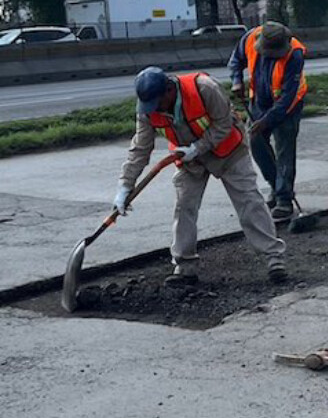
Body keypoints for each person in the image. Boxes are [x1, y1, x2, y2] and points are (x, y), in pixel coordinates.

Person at [116, 66, 287, 286]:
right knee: (184, 207)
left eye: (158, 102)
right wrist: (125, 186)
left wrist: (198, 147)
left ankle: (274, 258)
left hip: (229, 151)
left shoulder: (204, 88)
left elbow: (224, 123)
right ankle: (184, 266)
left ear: (169, 90)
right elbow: (140, 148)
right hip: (190, 161)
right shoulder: (147, 109)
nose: (155, 109)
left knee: (249, 202)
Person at [228, 21, 308, 221]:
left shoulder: (295, 55)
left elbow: (287, 98)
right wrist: (237, 81)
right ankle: (277, 187)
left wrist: (266, 121)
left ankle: (284, 200)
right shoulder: (250, 38)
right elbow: (235, 60)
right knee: (256, 142)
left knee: (284, 151)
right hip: (260, 101)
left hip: (287, 107)